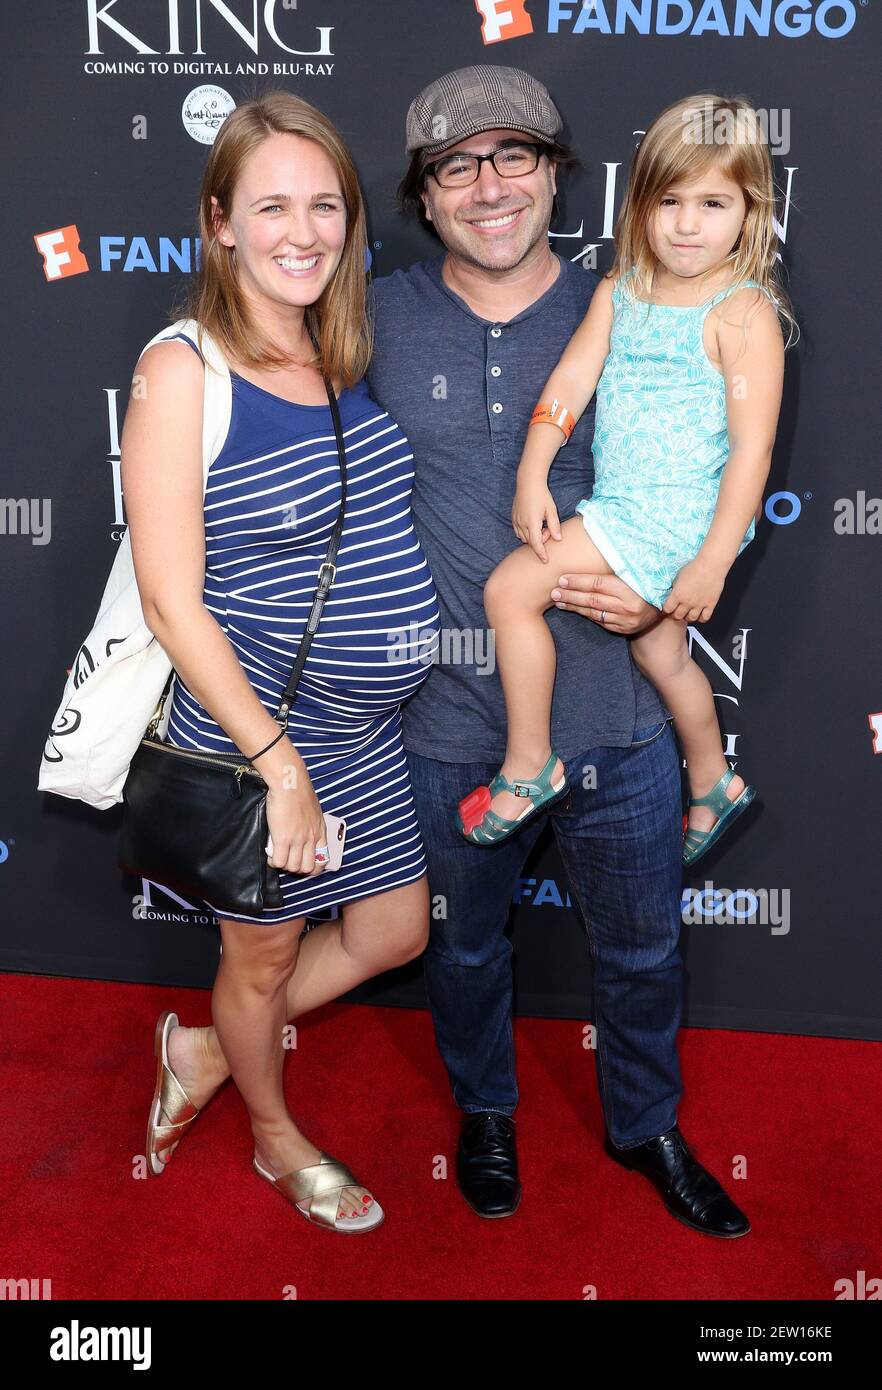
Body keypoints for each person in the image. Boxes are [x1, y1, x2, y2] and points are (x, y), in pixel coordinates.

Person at [365, 65, 755, 1235]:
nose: (488, 187)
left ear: (558, 176)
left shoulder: (637, 300)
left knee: (641, 952)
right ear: (425, 196)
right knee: (468, 949)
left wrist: (664, 608)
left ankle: (647, 1127)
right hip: (443, 720)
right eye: (456, 166)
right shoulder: (372, 315)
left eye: (514, 157)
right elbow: (266, 406)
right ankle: (485, 1110)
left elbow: (721, 466)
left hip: (620, 720)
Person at [122, 92, 440, 1234]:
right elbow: (169, 598)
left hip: (360, 736)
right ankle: (271, 1133)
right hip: (257, 735)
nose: (302, 231)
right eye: (271, 207)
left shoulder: (339, 346)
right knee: (259, 961)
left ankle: (205, 1045)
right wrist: (278, 763)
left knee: (393, 931)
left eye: (325, 205)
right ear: (219, 222)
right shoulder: (183, 371)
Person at [455, 92, 794, 866]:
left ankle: (530, 763)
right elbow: (570, 385)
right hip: (626, 507)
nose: (685, 223)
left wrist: (710, 561)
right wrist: (533, 470)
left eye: (712, 203)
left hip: (669, 521)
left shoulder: (744, 314)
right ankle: (714, 781)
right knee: (661, 655)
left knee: (510, 591)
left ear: (751, 211)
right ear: (638, 203)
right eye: (669, 200)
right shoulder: (620, 293)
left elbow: (751, 453)